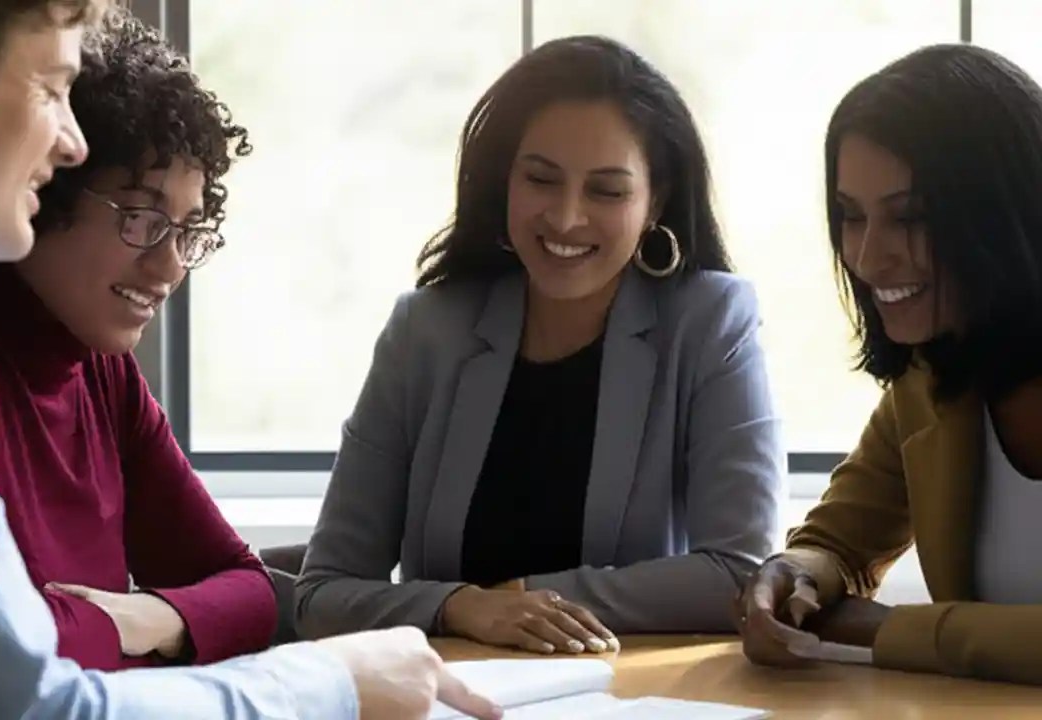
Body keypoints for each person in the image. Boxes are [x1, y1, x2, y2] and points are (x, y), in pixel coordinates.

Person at [0, 2, 500, 718]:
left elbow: (251, 589)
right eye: (51, 87)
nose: (70, 144)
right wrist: (329, 684)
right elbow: (26, 703)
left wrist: (142, 617)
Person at [296, 34, 784, 655]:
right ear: (505, 180)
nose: (566, 218)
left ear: (653, 200)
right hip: (448, 695)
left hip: (629, 698)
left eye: (606, 190)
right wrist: (460, 606)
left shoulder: (711, 321)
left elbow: (743, 572)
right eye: (541, 180)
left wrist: (523, 598)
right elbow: (321, 595)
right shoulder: (425, 331)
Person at [0, 8, 272, 672]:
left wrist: (149, 616)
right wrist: (131, 625)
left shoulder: (104, 376)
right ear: (49, 190)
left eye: (188, 230)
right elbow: (4, 649)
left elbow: (251, 591)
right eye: (140, 218)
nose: (169, 266)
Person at [735, 43, 1042, 687]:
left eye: (912, 217)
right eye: (851, 216)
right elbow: (839, 546)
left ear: (1007, 212)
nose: (870, 257)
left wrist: (882, 630)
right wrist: (790, 579)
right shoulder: (930, 375)